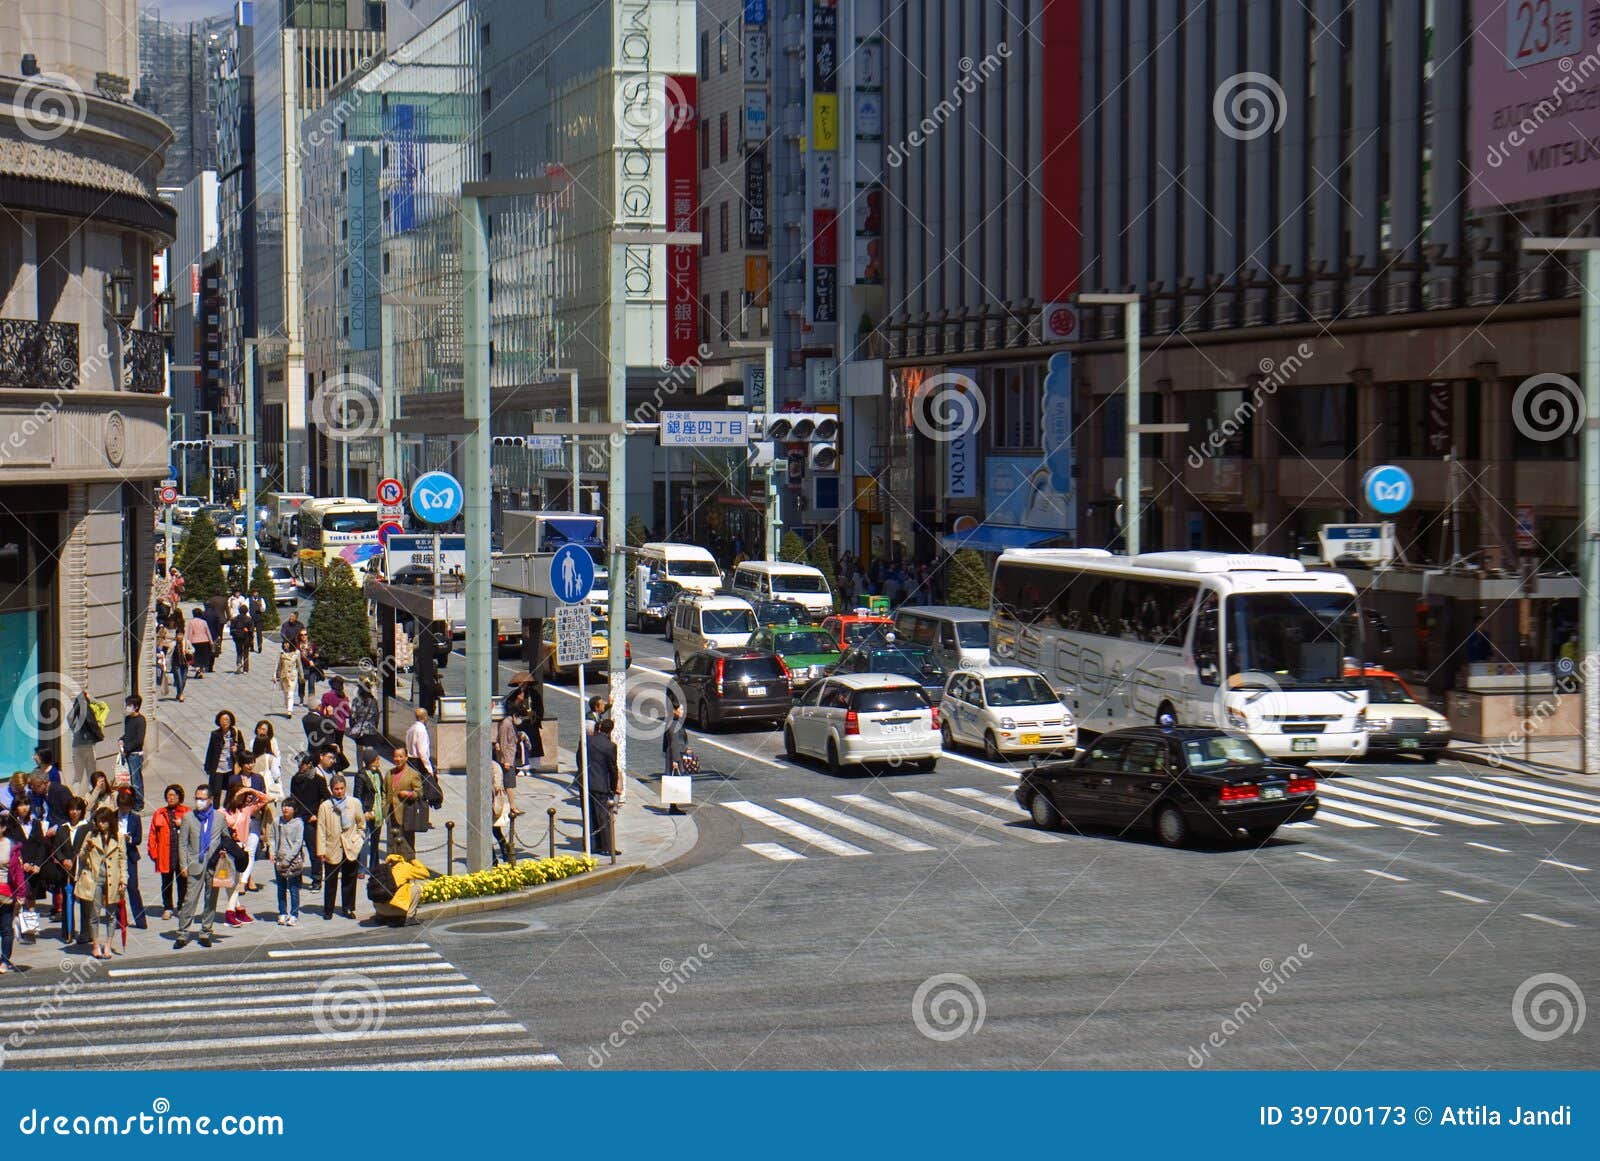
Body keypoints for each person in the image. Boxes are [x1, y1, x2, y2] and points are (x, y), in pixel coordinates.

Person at [172, 785, 236, 949]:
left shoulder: (219, 818)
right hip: (195, 864)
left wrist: (224, 852)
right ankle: (183, 933)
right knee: (190, 900)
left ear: (211, 800)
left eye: (202, 799)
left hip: (213, 866)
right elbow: (183, 844)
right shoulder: (188, 818)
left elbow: (226, 838)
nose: (199, 802)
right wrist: (183, 864)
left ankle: (205, 932)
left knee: (211, 900)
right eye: (197, 798)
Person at [75, 807, 126, 959]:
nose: (101, 824)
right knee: (94, 913)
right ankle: (95, 945)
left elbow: (122, 860)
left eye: (104, 821)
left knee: (111, 914)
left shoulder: (118, 837)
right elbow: (82, 857)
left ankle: (108, 945)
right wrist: (87, 848)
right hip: (95, 878)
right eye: (98, 821)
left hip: (113, 879)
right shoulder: (91, 835)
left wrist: (124, 879)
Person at [316, 775, 363, 919]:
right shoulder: (325, 806)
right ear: (331, 790)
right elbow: (321, 829)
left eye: (342, 788)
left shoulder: (354, 803)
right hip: (333, 847)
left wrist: (358, 839)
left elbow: (361, 823)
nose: (339, 792)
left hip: (350, 846)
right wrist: (321, 850)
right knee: (331, 880)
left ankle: (348, 907)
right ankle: (328, 910)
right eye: (336, 789)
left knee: (350, 878)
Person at [221, 783, 268, 926]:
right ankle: (232, 911)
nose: (243, 797)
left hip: (241, 848)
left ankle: (236, 910)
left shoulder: (246, 810)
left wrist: (250, 789)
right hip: (227, 849)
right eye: (239, 794)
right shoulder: (222, 812)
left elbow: (265, 799)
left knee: (235, 881)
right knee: (231, 882)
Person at [291, 750, 335, 891]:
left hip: (311, 819)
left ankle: (316, 879)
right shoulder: (295, 779)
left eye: (302, 764)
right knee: (296, 850)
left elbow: (328, 799)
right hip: (298, 819)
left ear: (309, 764)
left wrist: (317, 814)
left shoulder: (318, 780)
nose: (300, 767)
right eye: (299, 764)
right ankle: (296, 879)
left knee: (313, 850)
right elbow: (293, 799)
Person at [146, 784, 189, 920]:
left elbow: (194, 831)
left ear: (179, 797)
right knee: (166, 882)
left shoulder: (186, 812)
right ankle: (168, 907)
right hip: (165, 854)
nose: (171, 798)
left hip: (181, 854)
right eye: (169, 795)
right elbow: (152, 835)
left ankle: (182, 906)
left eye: (174, 795)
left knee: (182, 882)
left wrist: (182, 824)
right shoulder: (159, 813)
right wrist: (153, 853)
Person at [586, 718, 621, 856]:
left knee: (592, 815)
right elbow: (613, 769)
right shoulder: (610, 746)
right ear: (611, 730)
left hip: (589, 782)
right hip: (602, 784)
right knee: (604, 816)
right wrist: (613, 787)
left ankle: (595, 844)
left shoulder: (589, 741)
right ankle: (607, 847)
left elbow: (580, 758)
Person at [114, 789, 146, 929]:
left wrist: (130, 839)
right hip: (115, 856)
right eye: (122, 807)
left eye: (126, 807)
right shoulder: (112, 817)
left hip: (129, 855)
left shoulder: (135, 818)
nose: (124, 809)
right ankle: (120, 919)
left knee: (132, 888)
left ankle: (140, 920)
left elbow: (138, 839)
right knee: (116, 889)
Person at [385, 749, 424, 860]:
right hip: (391, 814)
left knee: (406, 844)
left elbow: (419, 793)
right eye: (396, 757)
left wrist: (409, 794)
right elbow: (384, 791)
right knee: (392, 844)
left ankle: (408, 866)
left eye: (401, 756)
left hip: (406, 814)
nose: (398, 759)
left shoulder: (413, 774)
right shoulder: (389, 773)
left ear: (406, 757)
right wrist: (384, 808)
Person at [352, 747, 386, 876]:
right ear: (371, 760)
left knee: (375, 841)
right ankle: (361, 868)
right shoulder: (361, 775)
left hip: (377, 811)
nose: (378, 761)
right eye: (376, 759)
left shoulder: (378, 773)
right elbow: (358, 795)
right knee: (362, 841)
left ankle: (374, 867)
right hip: (367, 812)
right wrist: (364, 811)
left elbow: (381, 790)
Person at [271, 800, 305, 925]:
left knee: (293, 888)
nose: (285, 808)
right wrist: (272, 851)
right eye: (284, 806)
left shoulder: (298, 823)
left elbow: (298, 842)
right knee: (280, 887)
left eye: (289, 806)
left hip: (293, 860)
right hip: (279, 859)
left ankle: (294, 913)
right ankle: (282, 912)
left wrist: (288, 858)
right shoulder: (276, 821)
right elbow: (272, 837)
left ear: (294, 809)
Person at [203, 710, 245, 808]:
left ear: (231, 721)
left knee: (230, 791)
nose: (225, 722)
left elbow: (242, 748)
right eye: (222, 720)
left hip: (231, 768)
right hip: (218, 767)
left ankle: (227, 809)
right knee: (216, 791)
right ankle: (216, 810)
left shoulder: (236, 733)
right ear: (219, 721)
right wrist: (207, 766)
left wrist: (237, 749)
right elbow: (210, 750)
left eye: (227, 719)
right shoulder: (215, 734)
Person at [0, 816, 23, 971]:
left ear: (3, 828)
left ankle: (5, 960)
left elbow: (17, 872)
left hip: (6, 891)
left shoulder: (11, 845)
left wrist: (21, 892)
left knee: (6, 928)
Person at [495, 706, 526, 817]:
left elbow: (511, 738)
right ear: (514, 715)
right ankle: (513, 807)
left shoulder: (511, 723)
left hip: (510, 757)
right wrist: (506, 761)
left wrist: (519, 736)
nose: (520, 720)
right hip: (507, 759)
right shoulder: (506, 724)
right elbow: (503, 743)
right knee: (509, 784)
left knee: (511, 784)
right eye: (520, 717)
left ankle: (512, 806)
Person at [119, 695, 147, 810]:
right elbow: (128, 735)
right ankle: (131, 800)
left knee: (136, 780)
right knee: (128, 780)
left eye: (129, 705)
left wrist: (127, 749)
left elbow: (138, 740)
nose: (127, 708)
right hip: (127, 753)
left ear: (136, 707)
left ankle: (139, 803)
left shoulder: (140, 720)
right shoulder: (128, 719)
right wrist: (121, 739)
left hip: (135, 755)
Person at [663, 701, 689, 816]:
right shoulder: (674, 724)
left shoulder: (673, 722)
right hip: (675, 755)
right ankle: (673, 806)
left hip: (675, 753)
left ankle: (674, 805)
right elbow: (674, 743)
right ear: (674, 711)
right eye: (681, 709)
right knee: (674, 781)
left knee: (674, 780)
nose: (682, 712)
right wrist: (675, 760)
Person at [348, 677, 383, 754]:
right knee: (370, 751)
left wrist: (353, 726)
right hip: (371, 729)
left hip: (359, 729)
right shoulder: (374, 701)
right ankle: (370, 764)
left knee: (360, 751)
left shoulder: (356, 701)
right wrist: (375, 727)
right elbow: (376, 716)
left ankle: (360, 766)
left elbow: (353, 715)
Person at [319, 675, 351, 757]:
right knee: (339, 744)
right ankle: (339, 761)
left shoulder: (326, 696)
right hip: (341, 725)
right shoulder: (344, 698)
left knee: (329, 745)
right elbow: (347, 714)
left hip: (328, 724)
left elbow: (322, 712)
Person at [405, 707, 434, 784]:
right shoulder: (421, 731)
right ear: (424, 717)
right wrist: (429, 768)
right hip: (419, 763)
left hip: (410, 761)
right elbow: (422, 752)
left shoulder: (411, 729)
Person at [273, 641, 302, 718]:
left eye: (287, 643)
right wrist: (274, 675)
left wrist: (301, 676)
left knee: (290, 694)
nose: (285, 645)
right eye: (284, 643)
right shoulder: (281, 653)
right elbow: (277, 664)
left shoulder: (296, 653)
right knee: (286, 694)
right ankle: (287, 705)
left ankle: (289, 710)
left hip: (292, 675)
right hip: (284, 675)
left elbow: (299, 665)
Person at [167, 609, 191, 701]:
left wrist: (189, 652)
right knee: (179, 679)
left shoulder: (186, 642)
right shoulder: (173, 644)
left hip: (185, 663)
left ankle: (179, 692)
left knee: (183, 680)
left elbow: (192, 649)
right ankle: (180, 694)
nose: (180, 636)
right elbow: (169, 654)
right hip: (176, 663)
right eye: (178, 635)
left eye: (181, 634)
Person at [186, 607, 215, 678]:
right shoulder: (204, 622)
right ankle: (201, 671)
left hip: (195, 641)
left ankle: (197, 670)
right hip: (204, 641)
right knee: (203, 657)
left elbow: (190, 633)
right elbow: (208, 632)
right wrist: (211, 642)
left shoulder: (191, 622)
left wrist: (188, 643)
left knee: (196, 657)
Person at [228, 603, 255, 673]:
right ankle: (245, 669)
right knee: (246, 653)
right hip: (246, 637)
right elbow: (251, 630)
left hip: (237, 637)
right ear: (247, 611)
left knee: (239, 652)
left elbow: (231, 629)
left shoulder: (235, 619)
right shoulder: (249, 619)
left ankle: (239, 663)